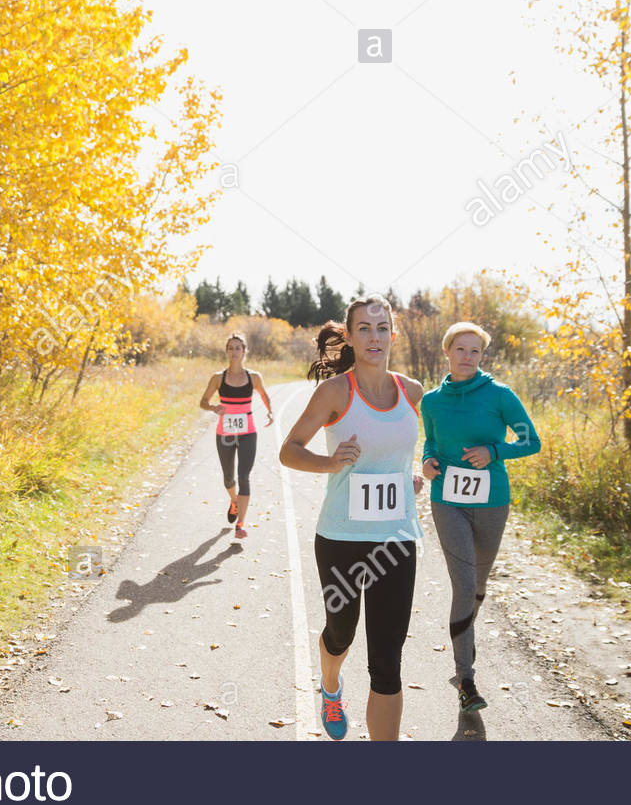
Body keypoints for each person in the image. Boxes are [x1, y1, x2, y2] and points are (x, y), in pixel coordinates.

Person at [279, 296, 424, 741]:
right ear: (352, 336)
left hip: (396, 539)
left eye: (382, 328)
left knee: (387, 661)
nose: (374, 336)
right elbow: (289, 451)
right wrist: (331, 463)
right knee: (340, 634)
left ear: (393, 336)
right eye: (364, 328)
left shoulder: (414, 392)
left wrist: (416, 473)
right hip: (341, 537)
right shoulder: (335, 392)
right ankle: (330, 686)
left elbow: (420, 451)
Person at [419, 321, 541, 713]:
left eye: (475, 351)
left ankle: (464, 637)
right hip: (447, 500)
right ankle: (466, 677)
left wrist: (495, 451)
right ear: (447, 351)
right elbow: (432, 441)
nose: (467, 357)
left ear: (482, 357)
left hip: (492, 502)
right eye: (461, 349)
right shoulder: (432, 401)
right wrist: (428, 461)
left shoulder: (501, 396)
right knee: (464, 584)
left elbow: (530, 441)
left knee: (479, 586)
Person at [199, 333, 273, 540]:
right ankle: (234, 501)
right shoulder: (218, 378)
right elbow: (203, 401)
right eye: (231, 348)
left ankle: (240, 524)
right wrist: (214, 407)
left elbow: (264, 394)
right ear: (226, 351)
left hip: (248, 433)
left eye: (238, 348)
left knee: (244, 477)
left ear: (244, 351)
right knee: (229, 478)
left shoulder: (254, 377)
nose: (234, 351)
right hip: (225, 434)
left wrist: (270, 411)